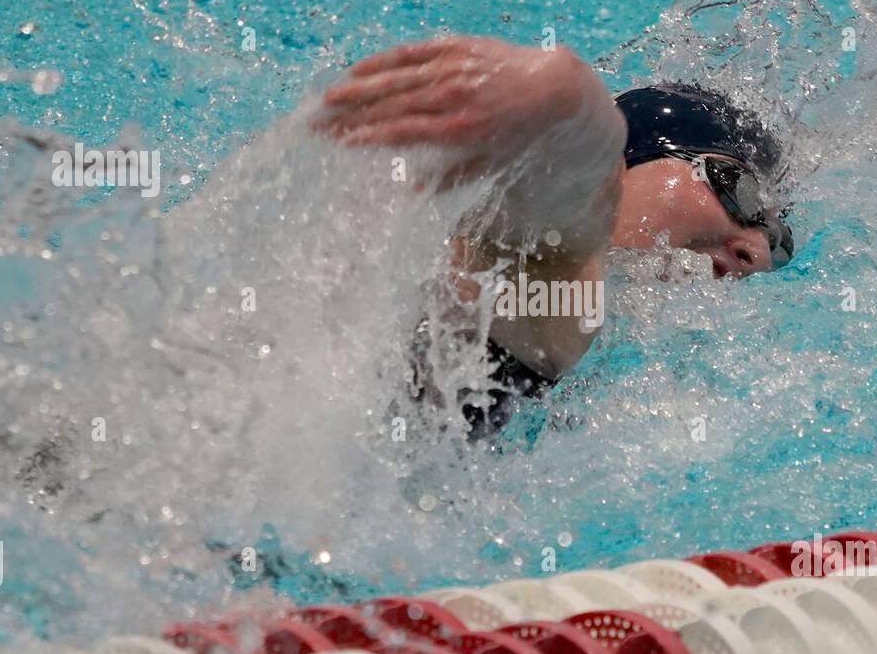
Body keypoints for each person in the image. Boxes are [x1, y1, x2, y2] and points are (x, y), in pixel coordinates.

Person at [312, 35, 792, 434]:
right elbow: (567, 186)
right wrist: (564, 94)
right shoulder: (552, 276)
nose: (758, 251)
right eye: (742, 194)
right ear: (627, 163)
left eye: (777, 239)